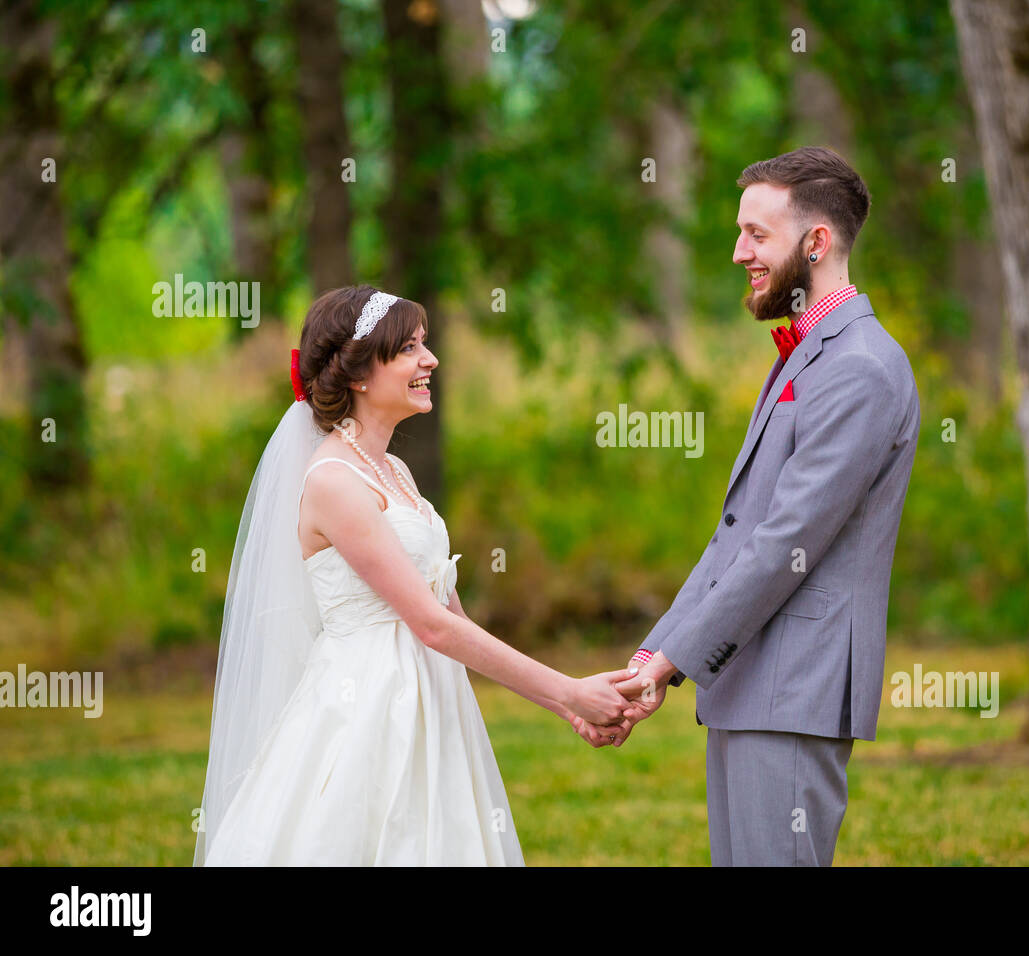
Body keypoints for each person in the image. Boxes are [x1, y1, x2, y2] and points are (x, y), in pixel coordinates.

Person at [195, 285, 631, 866]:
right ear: (356, 374)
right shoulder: (333, 481)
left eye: (425, 344)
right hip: (368, 708)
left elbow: (452, 616)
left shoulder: (393, 470)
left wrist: (566, 704)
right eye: (408, 349)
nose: (430, 360)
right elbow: (431, 626)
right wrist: (569, 689)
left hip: (431, 696)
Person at [616, 146, 921, 866]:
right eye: (739, 232)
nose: (738, 252)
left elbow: (786, 540)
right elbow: (737, 535)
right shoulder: (803, 353)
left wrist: (667, 664)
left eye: (757, 235)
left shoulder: (862, 367)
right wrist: (656, 650)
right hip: (755, 680)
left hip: (798, 679)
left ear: (817, 242)